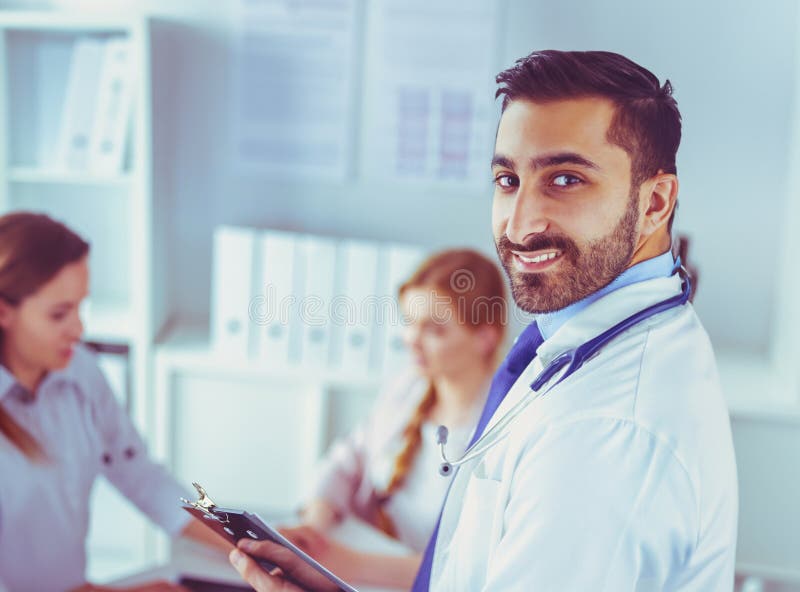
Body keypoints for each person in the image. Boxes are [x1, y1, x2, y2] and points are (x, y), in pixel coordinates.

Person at [229, 49, 738, 591]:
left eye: (565, 179)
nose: (519, 224)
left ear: (655, 202)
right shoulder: (579, 345)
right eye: (506, 179)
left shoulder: (601, 435)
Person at [0, 212, 225, 592]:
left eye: (80, 306)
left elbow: (140, 474)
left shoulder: (79, 371)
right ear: (3, 311)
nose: (79, 329)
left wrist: (241, 538)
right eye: (59, 314)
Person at [284, 248, 507, 589]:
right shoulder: (409, 386)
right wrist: (315, 528)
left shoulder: (500, 433)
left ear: (485, 338)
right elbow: (347, 459)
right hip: (358, 566)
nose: (410, 341)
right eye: (409, 323)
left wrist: (348, 563)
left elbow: (467, 567)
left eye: (434, 329)